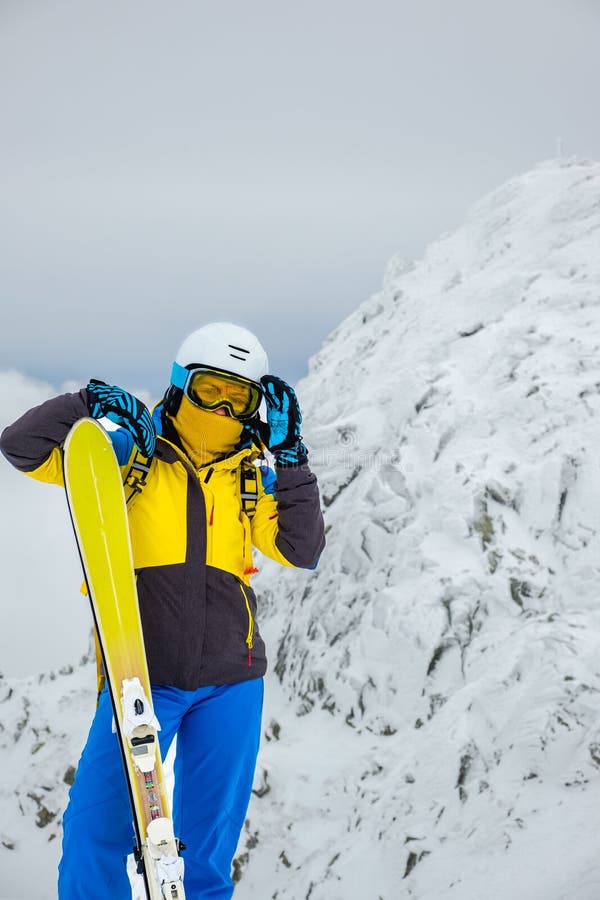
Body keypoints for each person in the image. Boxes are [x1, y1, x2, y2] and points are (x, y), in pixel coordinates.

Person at [0, 322, 325, 899]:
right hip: (142, 678)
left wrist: (292, 459)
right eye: (209, 390)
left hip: (233, 682)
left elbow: (302, 550)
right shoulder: (131, 457)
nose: (221, 409)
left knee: (207, 855)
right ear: (180, 385)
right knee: (93, 836)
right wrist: (85, 403)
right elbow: (20, 448)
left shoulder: (250, 477)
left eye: (239, 398)